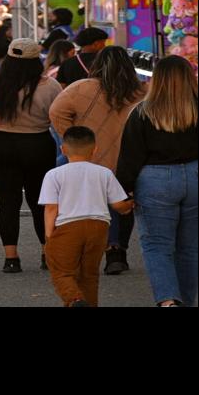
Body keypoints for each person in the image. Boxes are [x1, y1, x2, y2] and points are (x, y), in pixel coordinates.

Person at [49, 46, 147, 276]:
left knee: (95, 205)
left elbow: (56, 112)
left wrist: (74, 139)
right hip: (129, 157)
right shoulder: (141, 91)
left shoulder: (81, 88)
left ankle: (95, 248)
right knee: (123, 203)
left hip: (91, 155)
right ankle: (117, 251)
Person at [115, 55, 198, 307]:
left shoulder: (143, 111)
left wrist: (123, 191)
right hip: (195, 176)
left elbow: (130, 156)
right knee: (190, 247)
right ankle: (185, 300)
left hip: (155, 180)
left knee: (157, 245)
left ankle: (168, 300)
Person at [0, 38, 61, 274]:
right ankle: (47, 253)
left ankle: (11, 258)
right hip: (37, 143)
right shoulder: (49, 85)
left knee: (7, 202)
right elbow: (57, 112)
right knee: (40, 201)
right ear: (36, 60)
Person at [38, 126, 133, 307]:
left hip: (67, 227)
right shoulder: (104, 173)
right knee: (89, 275)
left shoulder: (54, 175)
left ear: (63, 149)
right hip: (99, 227)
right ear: (95, 149)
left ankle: (75, 300)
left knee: (62, 271)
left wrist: (49, 236)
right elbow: (119, 205)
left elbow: (51, 208)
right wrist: (129, 206)